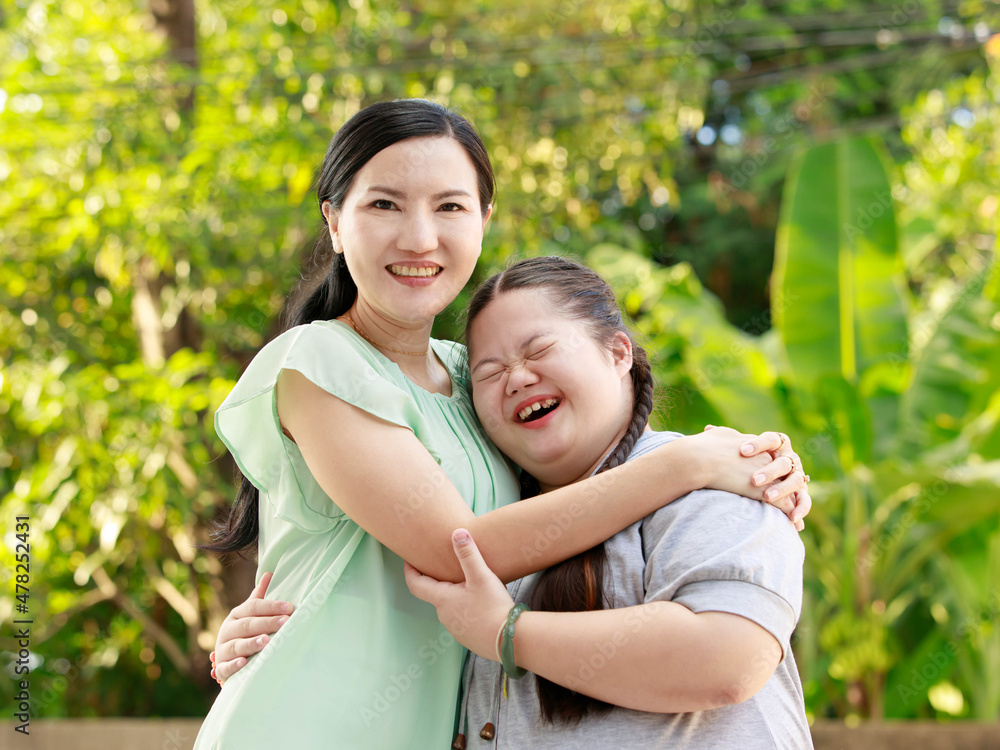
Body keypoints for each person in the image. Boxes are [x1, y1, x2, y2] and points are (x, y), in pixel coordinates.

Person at [195, 100, 810, 749]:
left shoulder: (475, 378)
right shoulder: (319, 360)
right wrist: (685, 466)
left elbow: (560, 500)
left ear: (484, 221)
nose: (419, 237)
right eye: (384, 205)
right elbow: (451, 548)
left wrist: (755, 468)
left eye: (450, 207)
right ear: (335, 222)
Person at [405, 256, 812, 747]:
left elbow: (727, 658)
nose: (516, 378)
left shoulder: (721, 473)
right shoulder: (498, 533)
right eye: (490, 374)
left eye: (540, 350)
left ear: (618, 353)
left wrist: (508, 632)